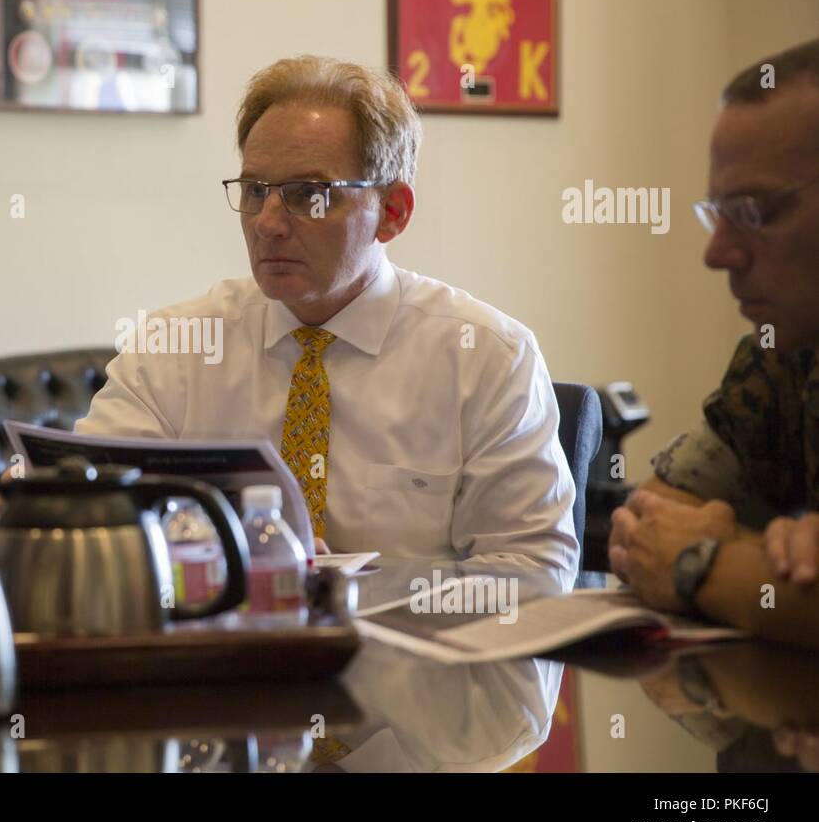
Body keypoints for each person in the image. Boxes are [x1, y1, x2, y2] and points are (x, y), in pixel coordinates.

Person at [74, 55, 578, 589]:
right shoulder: (174, 348)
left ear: (393, 212)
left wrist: (346, 597)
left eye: (307, 195)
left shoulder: (488, 357)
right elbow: (91, 515)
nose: (268, 225)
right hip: (222, 659)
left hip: (410, 665)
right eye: (254, 191)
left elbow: (534, 575)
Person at [609, 40, 819, 649]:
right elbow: (645, 525)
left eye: (753, 211)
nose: (716, 252)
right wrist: (755, 562)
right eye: (719, 213)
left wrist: (702, 563)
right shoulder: (785, 346)